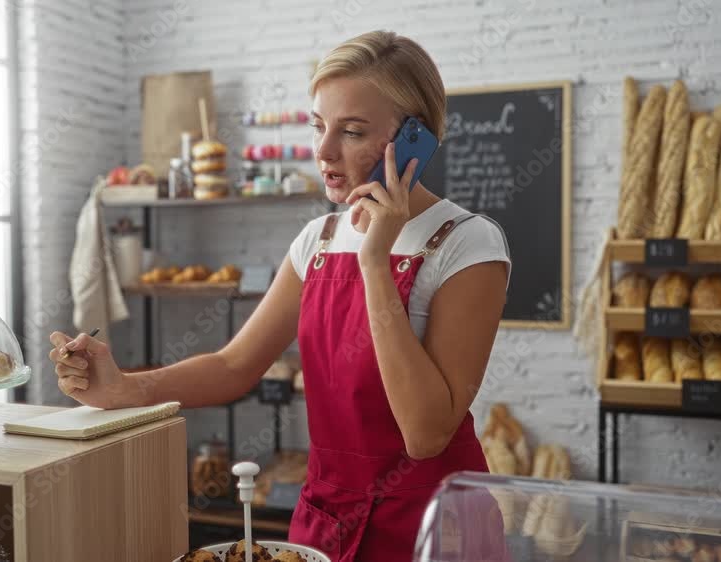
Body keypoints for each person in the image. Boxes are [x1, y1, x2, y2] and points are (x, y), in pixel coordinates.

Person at [50, 30, 511, 562]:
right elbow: (233, 366)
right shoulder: (317, 241)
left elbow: (425, 434)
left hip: (436, 528)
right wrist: (124, 388)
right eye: (319, 126)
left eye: (352, 131)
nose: (324, 151)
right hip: (325, 525)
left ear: (414, 139)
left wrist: (374, 264)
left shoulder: (467, 242)